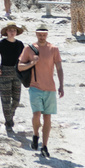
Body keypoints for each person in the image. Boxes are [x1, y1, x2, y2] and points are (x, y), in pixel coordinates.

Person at [18, 25, 64, 159]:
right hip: (35, 86)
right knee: (37, 114)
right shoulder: (29, 49)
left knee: (48, 117)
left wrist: (61, 85)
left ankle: (44, 146)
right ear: (36, 34)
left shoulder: (53, 49)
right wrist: (32, 63)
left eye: (44, 34)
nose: (42, 37)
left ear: (47, 35)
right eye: (39, 34)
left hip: (50, 87)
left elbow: (59, 68)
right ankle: (35, 134)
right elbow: (20, 67)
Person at [0, 22, 26, 132]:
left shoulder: (20, 44)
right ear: (6, 32)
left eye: (14, 30)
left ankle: (10, 116)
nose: (12, 32)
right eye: (10, 30)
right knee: (5, 99)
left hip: (17, 72)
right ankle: (8, 120)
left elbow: (24, 58)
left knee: (16, 99)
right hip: (4, 71)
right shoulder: (1, 43)